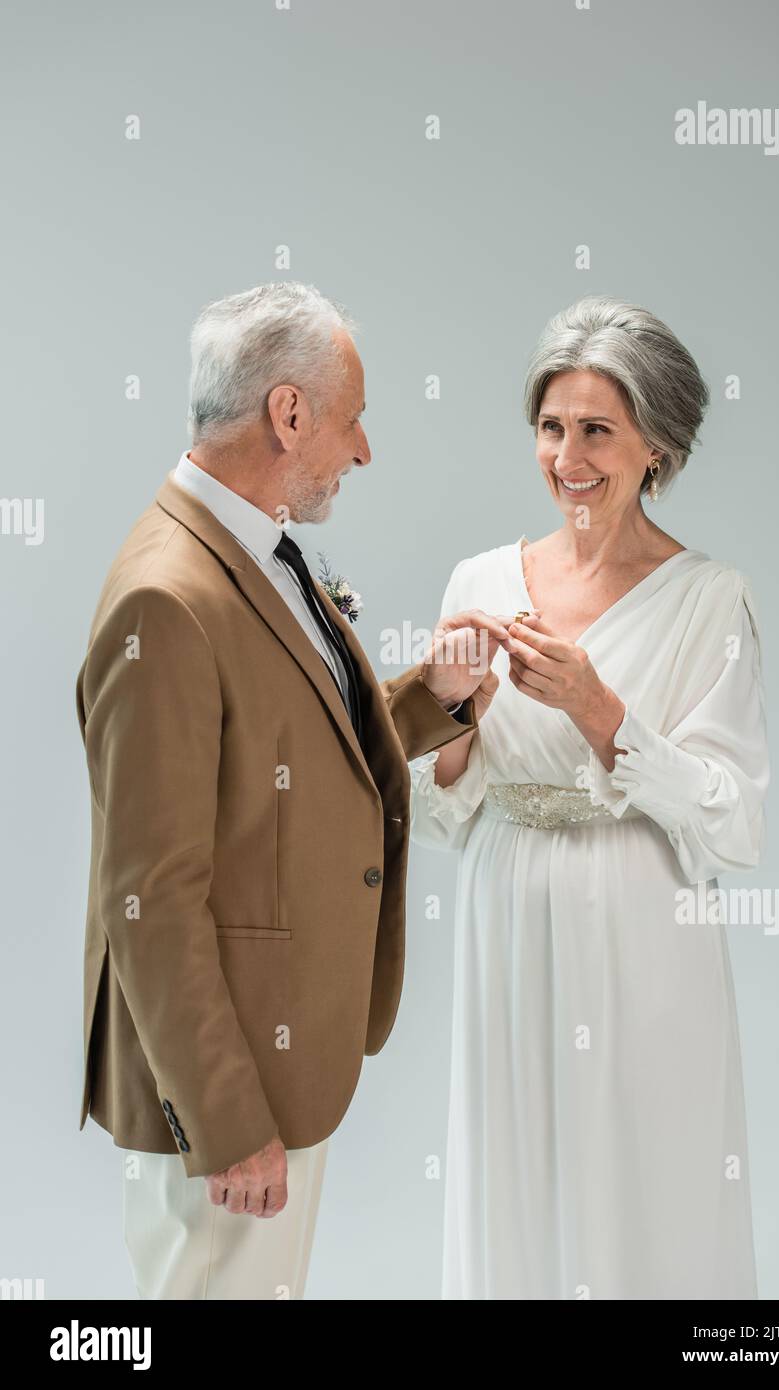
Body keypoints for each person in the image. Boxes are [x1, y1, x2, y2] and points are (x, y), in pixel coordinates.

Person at [75, 282, 509, 1299]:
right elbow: (150, 896)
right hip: (226, 1087)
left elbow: (292, 753)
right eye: (354, 419)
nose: (365, 450)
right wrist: (226, 1121)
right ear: (288, 412)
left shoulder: (254, 548)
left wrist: (424, 697)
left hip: (276, 1053)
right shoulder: (166, 595)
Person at [409, 295, 770, 1300]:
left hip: (643, 921)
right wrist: (458, 717)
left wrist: (604, 714)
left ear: (656, 443)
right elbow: (437, 816)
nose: (568, 455)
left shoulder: (711, 598)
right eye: (551, 426)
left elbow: (733, 820)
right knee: (514, 1173)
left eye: (597, 430)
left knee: (647, 1177)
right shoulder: (481, 579)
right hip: (505, 913)